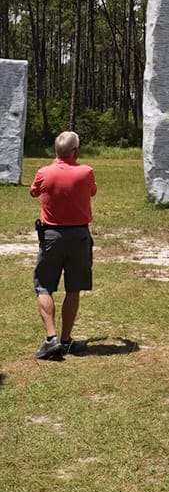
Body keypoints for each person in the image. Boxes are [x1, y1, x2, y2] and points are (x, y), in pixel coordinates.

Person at [30, 131, 97, 360]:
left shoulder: (44, 173)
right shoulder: (86, 172)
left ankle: (51, 339)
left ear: (55, 151)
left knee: (43, 286)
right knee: (73, 288)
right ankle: (66, 340)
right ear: (76, 151)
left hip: (51, 236)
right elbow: (92, 191)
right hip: (79, 236)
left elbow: (34, 191)